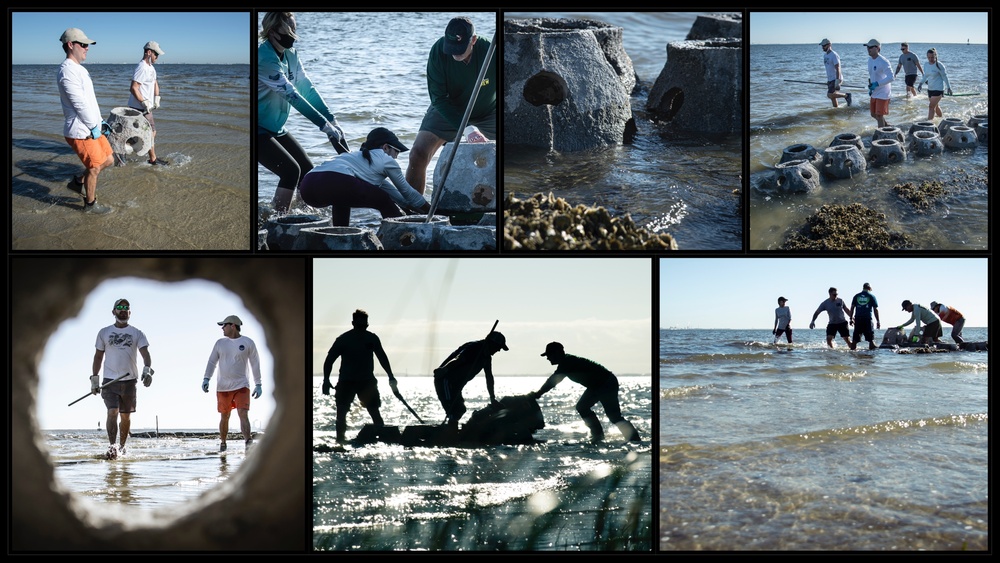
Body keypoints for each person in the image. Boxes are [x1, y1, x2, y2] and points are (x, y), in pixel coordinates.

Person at [258, 12, 348, 214]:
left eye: (295, 29)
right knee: (291, 171)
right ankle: (277, 221)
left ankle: (302, 214)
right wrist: (324, 126)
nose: (294, 35)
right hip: (256, 130)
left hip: (276, 127)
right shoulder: (263, 58)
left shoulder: (291, 55)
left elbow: (307, 89)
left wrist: (332, 120)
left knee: (308, 173)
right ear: (272, 32)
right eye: (289, 31)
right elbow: (293, 95)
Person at [406, 16, 496, 195]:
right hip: (449, 108)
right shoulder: (438, 52)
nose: (455, 53)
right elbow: (438, 98)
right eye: (451, 48)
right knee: (418, 153)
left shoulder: (491, 51)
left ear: (474, 40)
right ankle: (412, 207)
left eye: (460, 49)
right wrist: (468, 130)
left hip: (488, 111)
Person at [298, 127, 430, 226]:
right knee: (383, 200)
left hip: (307, 185)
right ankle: (401, 235)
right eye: (397, 151)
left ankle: (341, 233)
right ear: (385, 147)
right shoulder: (386, 160)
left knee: (342, 200)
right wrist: (432, 211)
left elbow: (399, 198)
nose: (396, 156)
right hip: (337, 182)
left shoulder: (356, 160)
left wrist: (411, 213)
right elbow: (407, 193)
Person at [530, 342, 641, 443]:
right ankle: (598, 435)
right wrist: (539, 393)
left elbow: (553, 381)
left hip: (606, 383)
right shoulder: (566, 363)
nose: (548, 358)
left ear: (557, 353)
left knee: (614, 416)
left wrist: (539, 393)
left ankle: (634, 439)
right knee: (582, 407)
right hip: (596, 385)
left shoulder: (567, 362)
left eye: (549, 355)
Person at [57, 28, 115, 214]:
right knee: (95, 167)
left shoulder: (79, 69)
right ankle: (90, 205)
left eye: (87, 45)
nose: (87, 48)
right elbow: (79, 104)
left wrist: (100, 122)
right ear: (70, 45)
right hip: (81, 131)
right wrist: (93, 126)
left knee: (109, 159)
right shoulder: (67, 71)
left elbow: (90, 102)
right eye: (83, 44)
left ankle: (78, 182)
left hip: (92, 126)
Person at [321, 309, 400, 443]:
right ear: (353, 324)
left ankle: (383, 440)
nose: (362, 329)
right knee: (341, 413)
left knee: (374, 411)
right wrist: (326, 380)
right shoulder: (343, 340)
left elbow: (382, 356)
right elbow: (329, 360)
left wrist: (391, 376)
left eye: (365, 326)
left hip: (367, 382)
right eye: (359, 326)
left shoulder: (372, 338)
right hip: (346, 382)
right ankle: (340, 441)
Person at [91, 298, 153, 460]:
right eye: (119, 307)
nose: (123, 310)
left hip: (129, 380)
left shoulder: (137, 333)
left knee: (125, 416)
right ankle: (112, 447)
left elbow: (145, 354)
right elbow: (98, 356)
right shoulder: (104, 332)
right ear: (114, 312)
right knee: (112, 411)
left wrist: (147, 371)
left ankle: (122, 447)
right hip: (110, 380)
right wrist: (95, 379)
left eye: (126, 308)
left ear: (130, 313)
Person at [202, 315, 262, 452]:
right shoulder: (220, 343)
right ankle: (223, 443)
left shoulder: (248, 342)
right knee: (225, 416)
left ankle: (248, 442)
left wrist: (258, 384)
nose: (222, 328)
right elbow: (212, 362)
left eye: (224, 325)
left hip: (242, 385)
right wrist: (206, 378)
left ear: (233, 326)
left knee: (243, 413)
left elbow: (255, 364)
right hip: (223, 387)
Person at [433, 329, 507, 429]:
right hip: (446, 380)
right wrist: (444, 369)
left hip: (456, 384)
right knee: (453, 410)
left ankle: (451, 432)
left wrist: (492, 398)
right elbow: (458, 359)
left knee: (460, 409)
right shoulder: (474, 348)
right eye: (498, 347)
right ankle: (449, 434)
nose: (498, 350)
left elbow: (489, 378)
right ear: (491, 343)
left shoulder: (487, 358)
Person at [127, 40, 168, 165]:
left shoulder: (151, 68)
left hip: (146, 108)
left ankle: (152, 158)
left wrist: (157, 97)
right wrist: (144, 102)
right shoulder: (142, 67)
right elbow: (134, 87)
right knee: (151, 132)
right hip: (138, 107)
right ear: (148, 52)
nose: (157, 57)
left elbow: (155, 82)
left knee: (149, 133)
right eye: (156, 54)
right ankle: (127, 146)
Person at [916, 48, 952, 121]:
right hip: (930, 89)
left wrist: (949, 87)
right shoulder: (926, 65)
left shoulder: (939, 65)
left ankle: (929, 124)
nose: (930, 59)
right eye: (929, 57)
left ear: (935, 56)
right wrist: (920, 83)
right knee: (936, 106)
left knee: (931, 107)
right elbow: (926, 76)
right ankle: (941, 120)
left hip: (938, 89)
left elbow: (945, 77)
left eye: (932, 57)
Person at [864, 39, 894, 128]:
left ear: (877, 48)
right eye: (867, 47)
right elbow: (872, 75)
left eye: (870, 47)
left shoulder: (883, 61)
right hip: (874, 91)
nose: (868, 49)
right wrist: (871, 86)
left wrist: (877, 84)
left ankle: (881, 137)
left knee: (879, 115)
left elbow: (891, 77)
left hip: (883, 92)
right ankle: (886, 126)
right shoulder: (870, 60)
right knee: (873, 114)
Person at [849, 282, 881, 350]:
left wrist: (851, 318)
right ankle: (870, 357)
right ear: (869, 288)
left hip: (858, 319)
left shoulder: (856, 296)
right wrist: (878, 321)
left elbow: (852, 308)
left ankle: (853, 357)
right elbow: (875, 309)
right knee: (870, 340)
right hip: (867, 319)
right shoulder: (871, 296)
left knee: (855, 340)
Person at [820, 39, 851, 108]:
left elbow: (838, 68)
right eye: (822, 46)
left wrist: (837, 80)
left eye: (824, 46)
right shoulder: (825, 55)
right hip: (830, 79)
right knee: (832, 97)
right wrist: (828, 80)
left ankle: (846, 96)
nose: (823, 47)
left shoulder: (834, 55)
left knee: (830, 94)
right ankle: (836, 109)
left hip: (836, 78)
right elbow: (828, 68)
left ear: (829, 45)